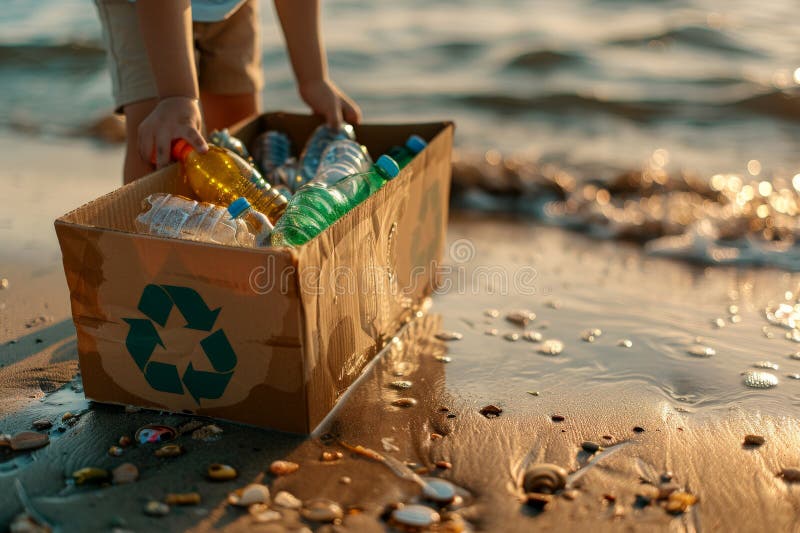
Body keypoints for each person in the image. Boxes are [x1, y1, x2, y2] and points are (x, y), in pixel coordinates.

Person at [95, 0, 362, 183]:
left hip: (230, 6)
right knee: (159, 140)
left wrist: (313, 79)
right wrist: (176, 95)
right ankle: (144, 255)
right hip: (143, 9)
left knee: (237, 140)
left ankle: (230, 247)